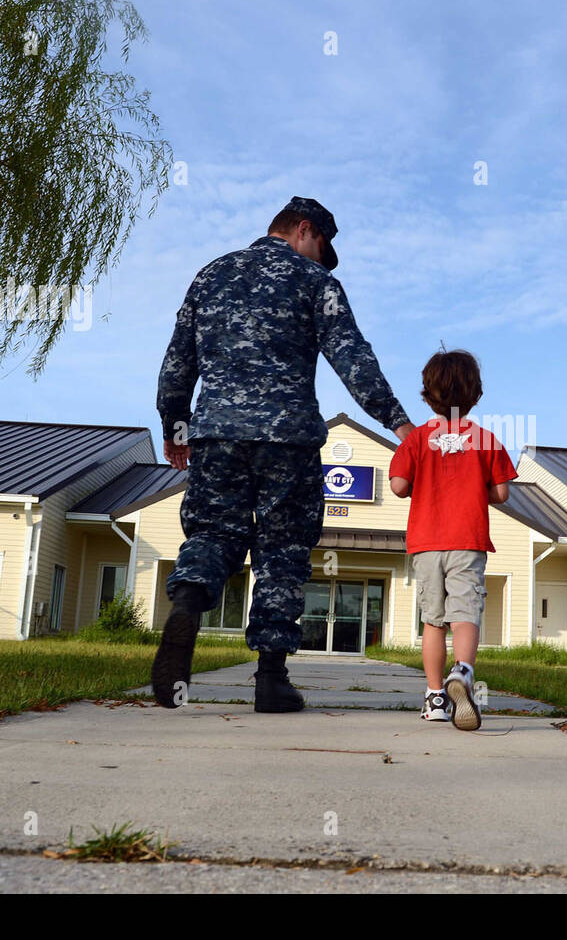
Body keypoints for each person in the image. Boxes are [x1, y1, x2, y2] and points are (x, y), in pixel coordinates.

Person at [154, 196, 413, 712]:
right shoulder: (316, 283)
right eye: (322, 248)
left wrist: (175, 426)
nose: (322, 260)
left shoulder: (211, 275)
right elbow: (352, 357)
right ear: (303, 229)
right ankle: (271, 680)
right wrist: (398, 422)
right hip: (288, 439)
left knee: (212, 534)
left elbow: (177, 361)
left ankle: (186, 605)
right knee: (283, 548)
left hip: (216, 435)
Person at [388, 349, 517, 730]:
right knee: (465, 614)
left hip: (427, 543)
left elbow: (397, 486)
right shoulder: (484, 439)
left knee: (433, 620)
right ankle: (462, 672)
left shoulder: (416, 440)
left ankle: (434, 699)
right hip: (467, 540)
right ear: (476, 394)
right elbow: (502, 494)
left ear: (427, 395)